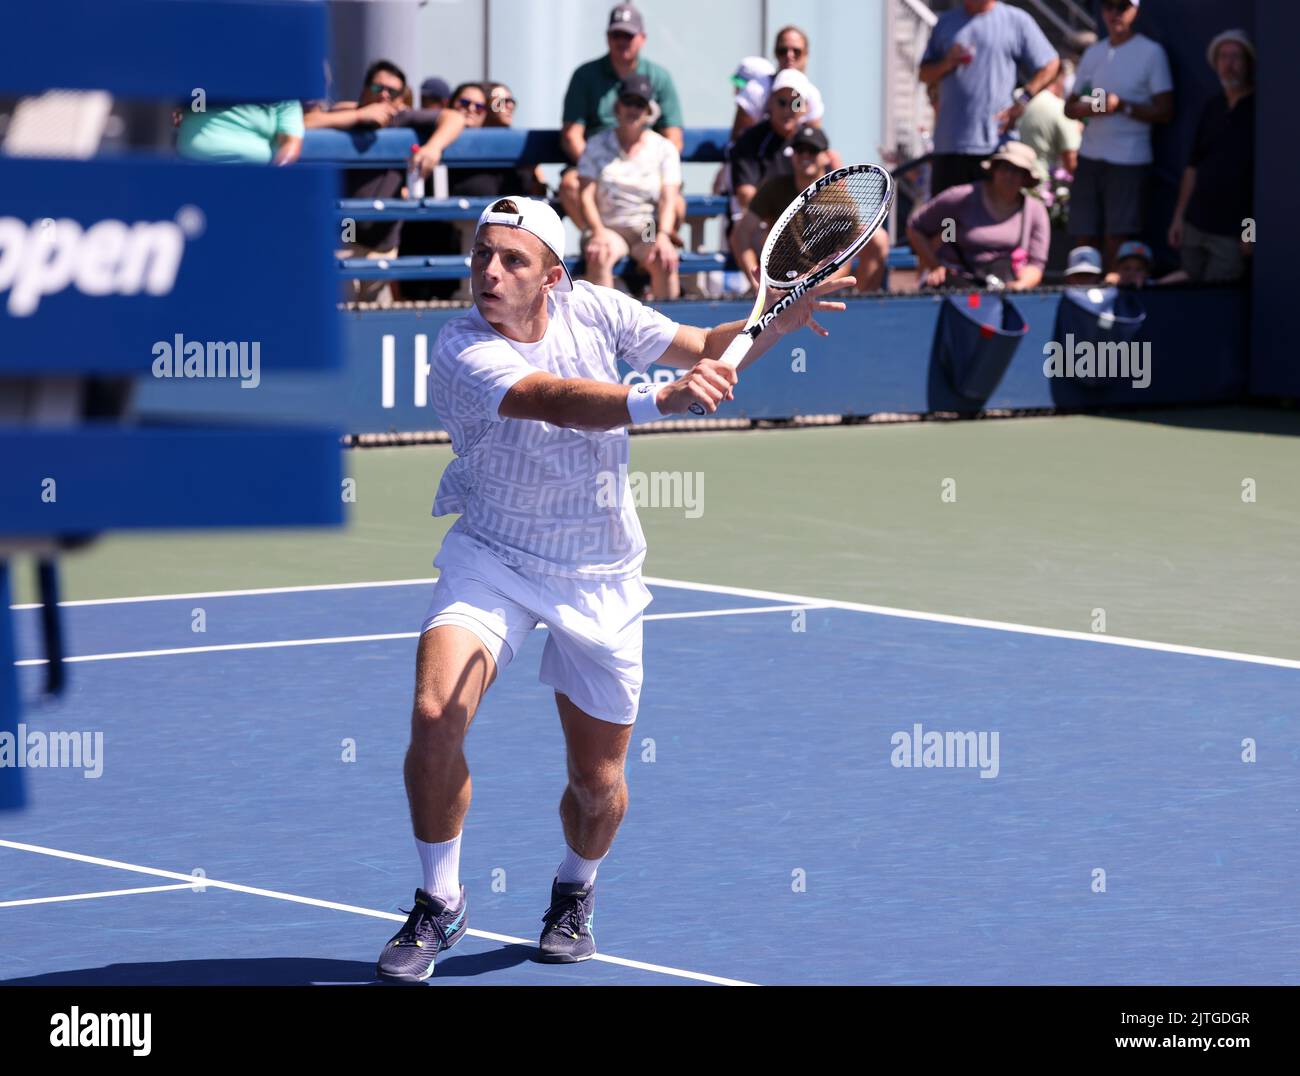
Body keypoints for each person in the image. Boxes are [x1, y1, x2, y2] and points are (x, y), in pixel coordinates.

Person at [374, 196, 854, 981]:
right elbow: (553, 400)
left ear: (553, 277)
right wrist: (658, 397)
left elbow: (704, 342)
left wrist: (775, 323)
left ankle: (574, 888)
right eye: (482, 257)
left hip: (599, 574)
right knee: (435, 715)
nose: (489, 273)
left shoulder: (595, 308)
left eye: (512, 261)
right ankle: (439, 900)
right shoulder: (459, 345)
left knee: (596, 788)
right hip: (492, 554)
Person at [310, 61, 465, 305]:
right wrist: (358, 115)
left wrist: (433, 147)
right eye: (377, 87)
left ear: (400, 99)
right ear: (363, 89)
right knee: (339, 313)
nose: (384, 94)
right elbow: (303, 123)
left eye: (392, 92)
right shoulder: (342, 113)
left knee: (375, 319)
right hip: (344, 233)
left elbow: (454, 117)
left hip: (382, 242)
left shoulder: (402, 118)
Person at [1064, 0, 1174, 270]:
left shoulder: (1151, 53)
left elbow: (1165, 110)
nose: (1114, 14)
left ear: (1135, 11)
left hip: (1129, 159)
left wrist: (1123, 106)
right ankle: (1082, 294)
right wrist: (1097, 107)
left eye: (1122, 7)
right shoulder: (1094, 53)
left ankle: (1112, 299)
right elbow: (1071, 107)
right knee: (1084, 233)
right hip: (1090, 156)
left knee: (1118, 237)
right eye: (1109, 7)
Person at [559, 3, 684, 230]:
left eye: (628, 35)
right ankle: (595, 238)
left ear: (642, 38)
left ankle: (651, 252)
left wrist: (642, 169)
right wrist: (600, 168)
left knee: (673, 209)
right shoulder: (586, 75)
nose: (622, 41)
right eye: (616, 34)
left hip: (646, 171)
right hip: (599, 164)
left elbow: (673, 139)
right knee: (572, 186)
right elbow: (571, 136)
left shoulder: (659, 77)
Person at [919, 0, 1059, 195]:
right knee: (948, 222)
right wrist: (946, 64)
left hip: (995, 147)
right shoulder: (946, 22)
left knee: (991, 221)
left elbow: (1050, 64)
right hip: (948, 146)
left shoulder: (1016, 20)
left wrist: (1023, 100)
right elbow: (924, 73)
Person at [730, 125, 889, 293]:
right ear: (792, 156)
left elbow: (843, 263)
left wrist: (808, 290)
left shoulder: (843, 202)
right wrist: (757, 284)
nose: (805, 155)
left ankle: (861, 307)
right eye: (799, 150)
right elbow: (740, 234)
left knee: (879, 238)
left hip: (816, 291)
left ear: (826, 157)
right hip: (775, 285)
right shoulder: (773, 188)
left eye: (812, 150)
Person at [578, 75, 682, 300]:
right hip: (607, 226)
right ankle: (604, 330)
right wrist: (597, 231)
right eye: (629, 102)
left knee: (662, 257)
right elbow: (585, 195)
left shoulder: (663, 148)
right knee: (601, 253)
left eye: (640, 104)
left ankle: (671, 330)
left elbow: (668, 198)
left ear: (648, 111)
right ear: (617, 107)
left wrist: (663, 235)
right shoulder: (596, 144)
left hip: (646, 227)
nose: (633, 109)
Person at [1166, 29, 1255, 284]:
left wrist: (1250, 233)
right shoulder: (1212, 107)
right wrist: (1179, 218)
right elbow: (1193, 166)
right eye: (1223, 57)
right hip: (1196, 224)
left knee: (1220, 299)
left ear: (1248, 63)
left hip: (1232, 233)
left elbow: (1260, 180)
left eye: (1236, 57)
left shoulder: (1258, 109)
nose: (1229, 64)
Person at [906, 141, 1050, 290]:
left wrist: (1020, 286)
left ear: (1026, 178)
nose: (1009, 175)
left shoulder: (1035, 210)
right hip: (959, 286)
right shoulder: (960, 197)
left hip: (1005, 287)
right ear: (994, 170)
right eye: (1004, 167)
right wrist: (935, 265)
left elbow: (1036, 264)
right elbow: (915, 227)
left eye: (1017, 171)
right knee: (973, 305)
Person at [728, 68, 818, 214]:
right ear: (770, 102)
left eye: (796, 103)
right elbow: (745, 196)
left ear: (805, 107)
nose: (788, 110)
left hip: (806, 226)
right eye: (782, 102)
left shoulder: (815, 143)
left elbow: (831, 189)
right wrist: (782, 219)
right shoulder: (750, 141)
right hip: (762, 224)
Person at [176, 101, 303, 164]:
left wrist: (273, 179)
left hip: (254, 183)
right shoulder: (196, 77)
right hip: (192, 175)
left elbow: (290, 143)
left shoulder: (281, 84)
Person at [1016, 58, 1080, 177]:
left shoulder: (1018, 99)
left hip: (1011, 177)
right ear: (1062, 78)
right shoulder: (1062, 110)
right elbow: (1071, 163)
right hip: (1042, 184)